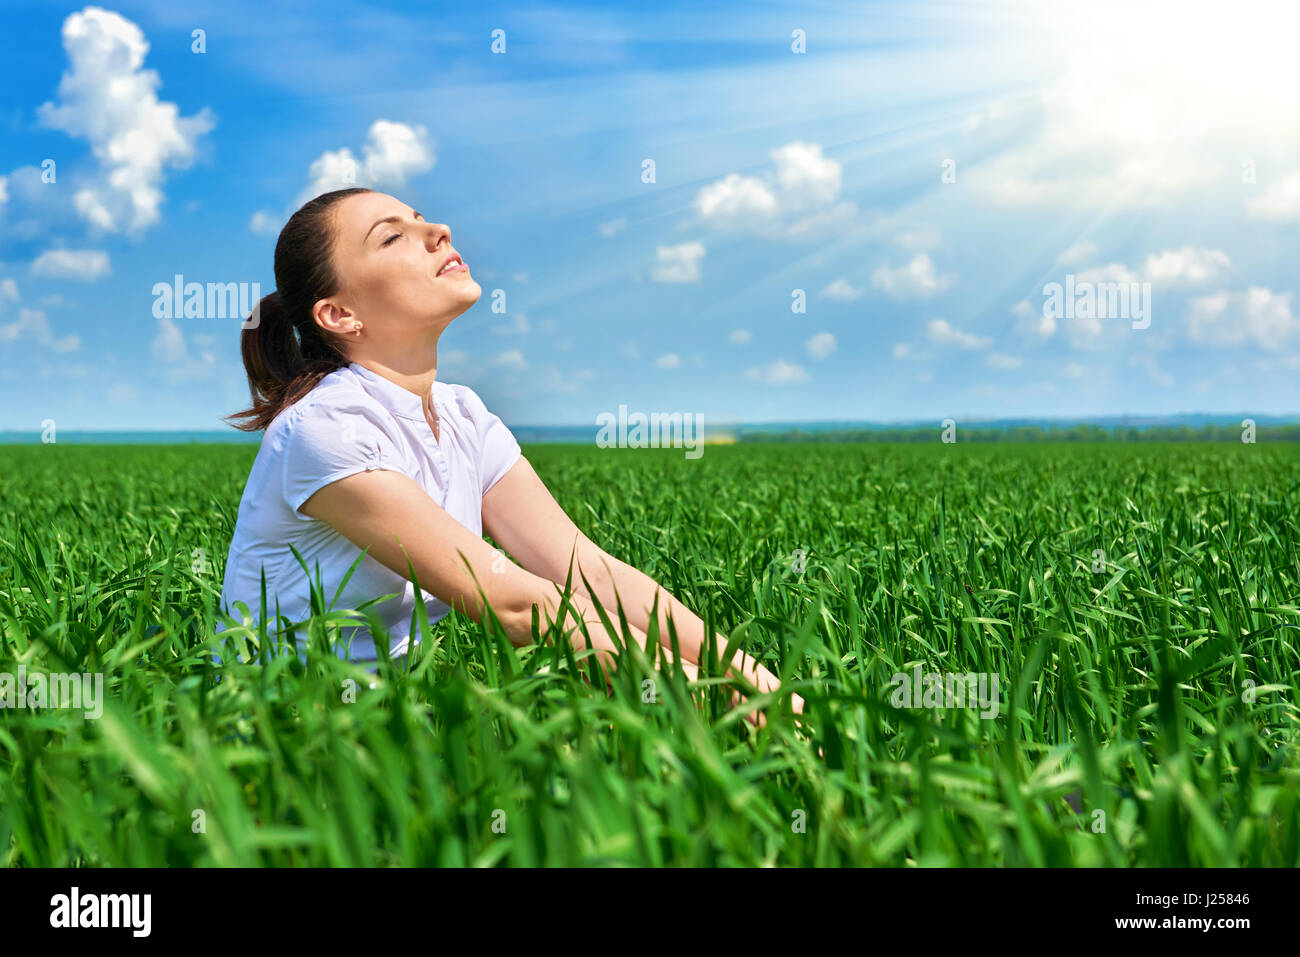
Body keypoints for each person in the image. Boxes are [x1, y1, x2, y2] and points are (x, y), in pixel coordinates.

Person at [217, 187, 804, 725]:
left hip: (396, 714)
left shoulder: (464, 415)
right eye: (393, 236)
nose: (439, 230)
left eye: (423, 219)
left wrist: (761, 685)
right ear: (339, 315)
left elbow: (587, 572)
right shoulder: (325, 429)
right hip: (283, 724)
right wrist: (746, 715)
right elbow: (512, 606)